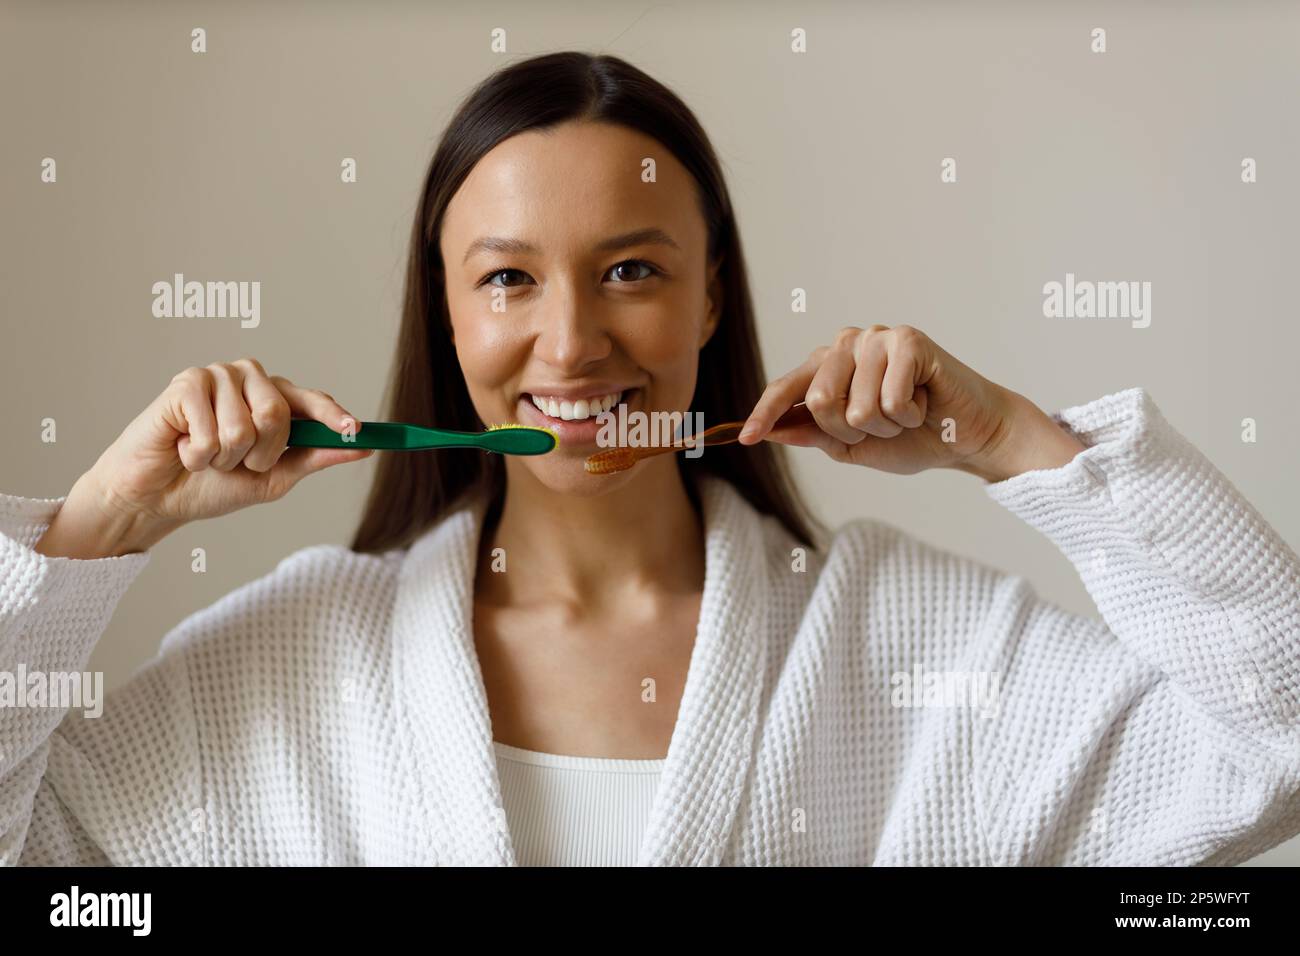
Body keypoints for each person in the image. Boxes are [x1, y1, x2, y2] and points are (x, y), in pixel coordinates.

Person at [4, 52, 1297, 867]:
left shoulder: (918, 647)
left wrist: (1015, 443)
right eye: (508, 279)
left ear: (713, 297)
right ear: (447, 316)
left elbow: (1277, 748)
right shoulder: (279, 667)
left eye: (631, 269)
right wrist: (99, 529)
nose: (571, 342)